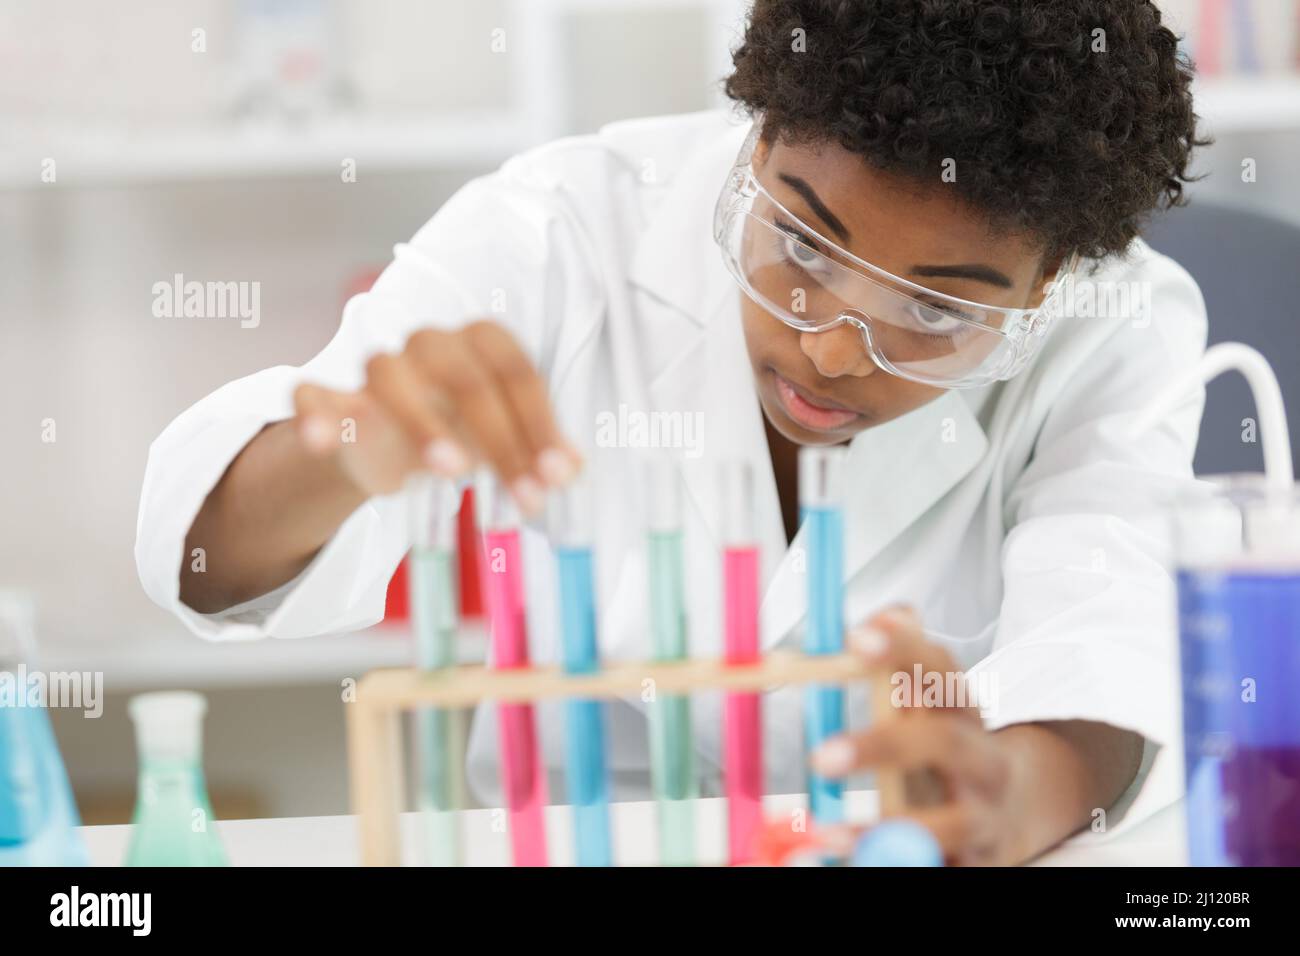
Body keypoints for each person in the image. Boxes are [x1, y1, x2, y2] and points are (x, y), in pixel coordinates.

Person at [137, 0, 1208, 864]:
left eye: (933, 310)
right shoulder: (560, 226)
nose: (832, 350)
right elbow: (205, 559)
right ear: (757, 137)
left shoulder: (1118, 326)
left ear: (1056, 278)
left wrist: (1011, 793)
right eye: (803, 241)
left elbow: (1105, 633)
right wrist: (352, 449)